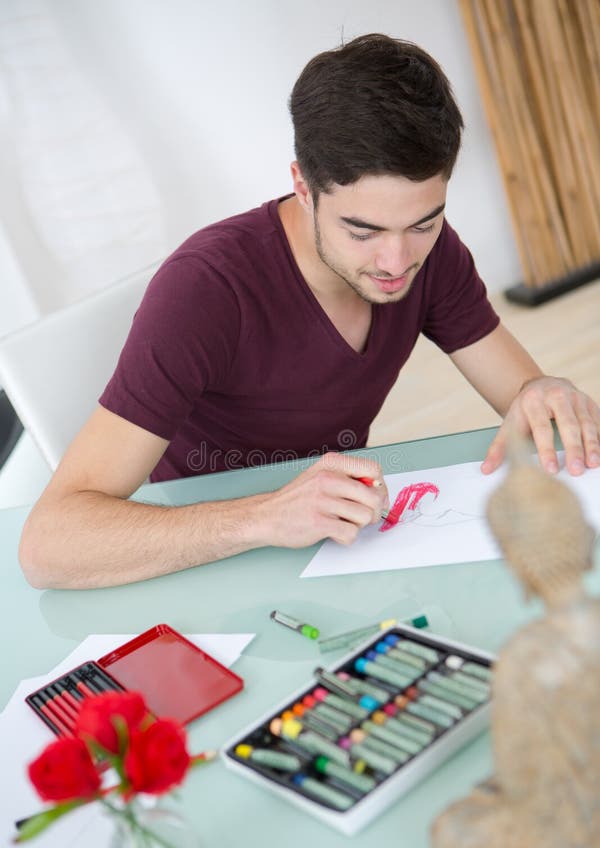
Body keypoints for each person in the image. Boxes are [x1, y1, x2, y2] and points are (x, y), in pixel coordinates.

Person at [19, 34, 600, 590]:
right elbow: (48, 546)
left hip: (329, 548)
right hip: (199, 561)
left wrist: (545, 393)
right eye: (362, 229)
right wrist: (265, 517)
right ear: (302, 185)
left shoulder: (434, 254)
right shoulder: (205, 290)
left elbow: (525, 399)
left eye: (422, 222)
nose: (397, 260)